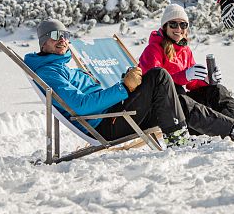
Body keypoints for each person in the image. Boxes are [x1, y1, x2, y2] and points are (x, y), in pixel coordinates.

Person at [24, 19, 190, 148]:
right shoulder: (49, 72)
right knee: (157, 75)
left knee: (174, 97)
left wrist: (127, 84)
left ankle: (211, 129)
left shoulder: (63, 68)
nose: (62, 40)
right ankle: (180, 140)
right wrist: (123, 87)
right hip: (106, 124)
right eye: (55, 35)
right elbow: (80, 105)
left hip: (115, 114)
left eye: (65, 35)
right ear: (43, 43)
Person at [139, 4, 234, 141]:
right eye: (173, 24)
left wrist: (206, 79)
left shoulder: (185, 51)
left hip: (182, 108)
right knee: (183, 100)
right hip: (162, 112)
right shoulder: (153, 50)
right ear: (165, 27)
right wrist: (184, 76)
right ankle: (233, 130)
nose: (178, 29)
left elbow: (193, 84)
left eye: (183, 25)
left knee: (217, 90)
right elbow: (155, 82)